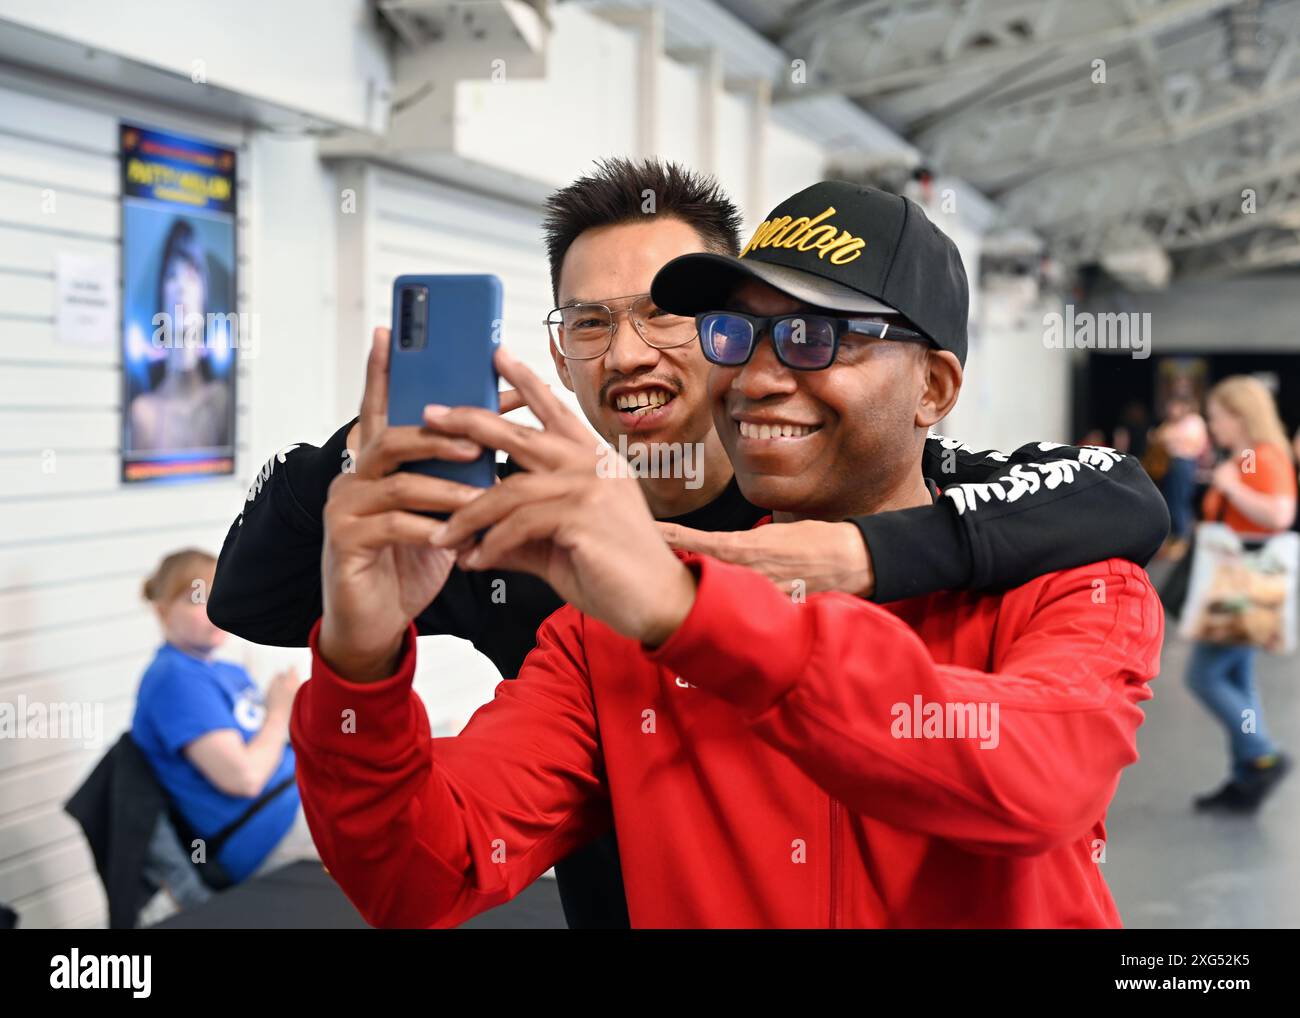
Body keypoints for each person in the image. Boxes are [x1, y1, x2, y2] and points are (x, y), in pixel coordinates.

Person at [210, 160, 1169, 928]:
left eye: (814, 336)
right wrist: (363, 657)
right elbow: (425, 876)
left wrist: (697, 613)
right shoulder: (602, 628)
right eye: (737, 337)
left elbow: (1034, 777)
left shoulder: (1060, 577)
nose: (755, 378)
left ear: (934, 387)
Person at [132, 549, 303, 890]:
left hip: (298, 801)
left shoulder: (227, 670)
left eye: (219, 594)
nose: (214, 611)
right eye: (197, 599)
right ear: (162, 611)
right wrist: (280, 711)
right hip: (266, 834)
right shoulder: (175, 678)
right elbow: (245, 778)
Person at [1186, 376, 1296, 813]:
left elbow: (1280, 514)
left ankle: (1261, 754)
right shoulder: (1253, 456)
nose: (1214, 427)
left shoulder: (1257, 457)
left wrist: (1230, 486)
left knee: (1204, 676)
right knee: (1237, 678)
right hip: (1242, 578)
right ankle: (1245, 776)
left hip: (1244, 581)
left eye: (1217, 418)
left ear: (1240, 415)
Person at [129, 220, 232, 452]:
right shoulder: (144, 415)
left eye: (192, 274)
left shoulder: (220, 403)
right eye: (172, 276)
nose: (181, 287)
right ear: (161, 291)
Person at [1154, 389, 1209, 559]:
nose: (1171, 409)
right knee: (1171, 500)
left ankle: (1183, 539)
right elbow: (1158, 437)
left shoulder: (1193, 421)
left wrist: (1171, 437)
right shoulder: (1173, 422)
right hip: (1172, 464)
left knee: (1180, 501)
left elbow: (1188, 441)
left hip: (1184, 464)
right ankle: (1175, 538)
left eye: (1174, 405)